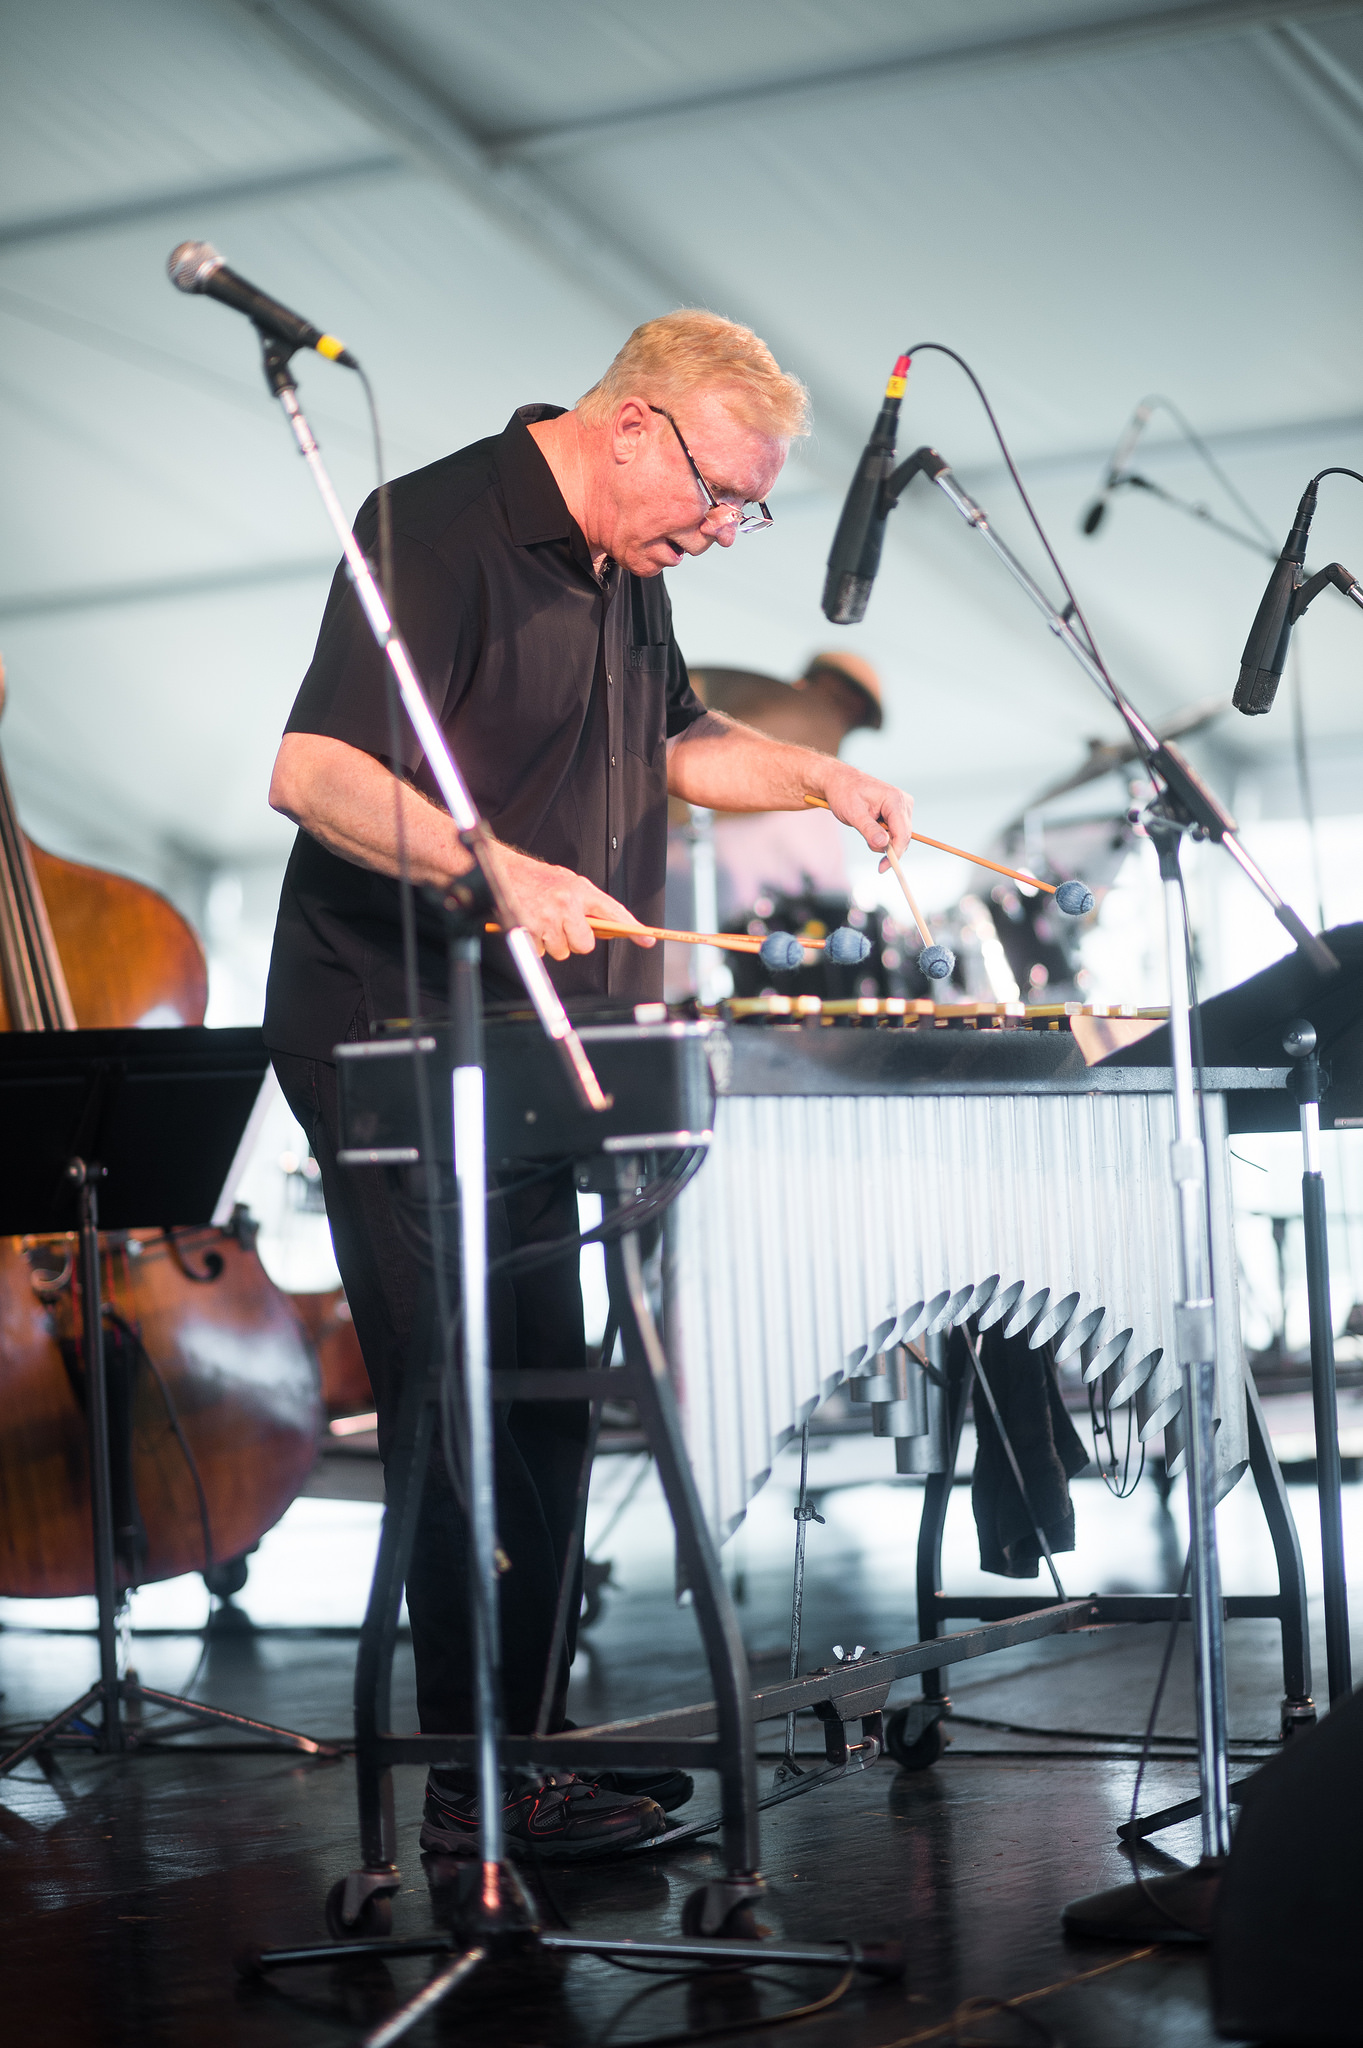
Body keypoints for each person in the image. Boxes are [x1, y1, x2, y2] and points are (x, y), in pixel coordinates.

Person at [263, 311, 912, 1861]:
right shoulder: (433, 525)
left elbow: (681, 740)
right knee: (459, 1405)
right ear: (635, 426)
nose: (722, 530)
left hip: (547, 1044)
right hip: (396, 1028)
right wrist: (492, 865)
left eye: (747, 510)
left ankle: (528, 1763)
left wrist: (812, 772)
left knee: (550, 1408)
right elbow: (313, 772)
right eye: (717, 496)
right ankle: (464, 1785)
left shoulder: (631, 570)